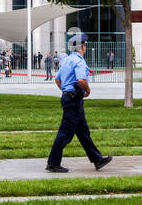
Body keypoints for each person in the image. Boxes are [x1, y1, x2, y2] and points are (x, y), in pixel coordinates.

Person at [46, 32, 112, 173]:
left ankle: (97, 159)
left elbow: (57, 79)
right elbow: (81, 80)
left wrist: (65, 90)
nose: (85, 47)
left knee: (83, 132)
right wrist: (87, 91)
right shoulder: (79, 61)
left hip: (69, 98)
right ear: (82, 47)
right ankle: (53, 163)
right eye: (85, 45)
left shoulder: (66, 60)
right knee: (65, 133)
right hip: (74, 100)